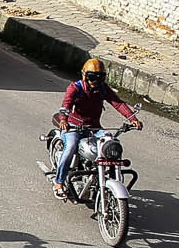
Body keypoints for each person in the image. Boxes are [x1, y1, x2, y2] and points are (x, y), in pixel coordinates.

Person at [53, 57, 142, 198]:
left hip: (94, 128)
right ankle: (59, 182)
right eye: (92, 77)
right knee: (70, 147)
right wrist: (64, 119)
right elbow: (66, 105)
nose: (96, 81)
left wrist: (132, 118)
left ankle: (113, 179)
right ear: (85, 75)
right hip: (74, 126)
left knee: (111, 142)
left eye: (100, 77)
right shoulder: (75, 87)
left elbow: (118, 103)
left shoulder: (103, 89)